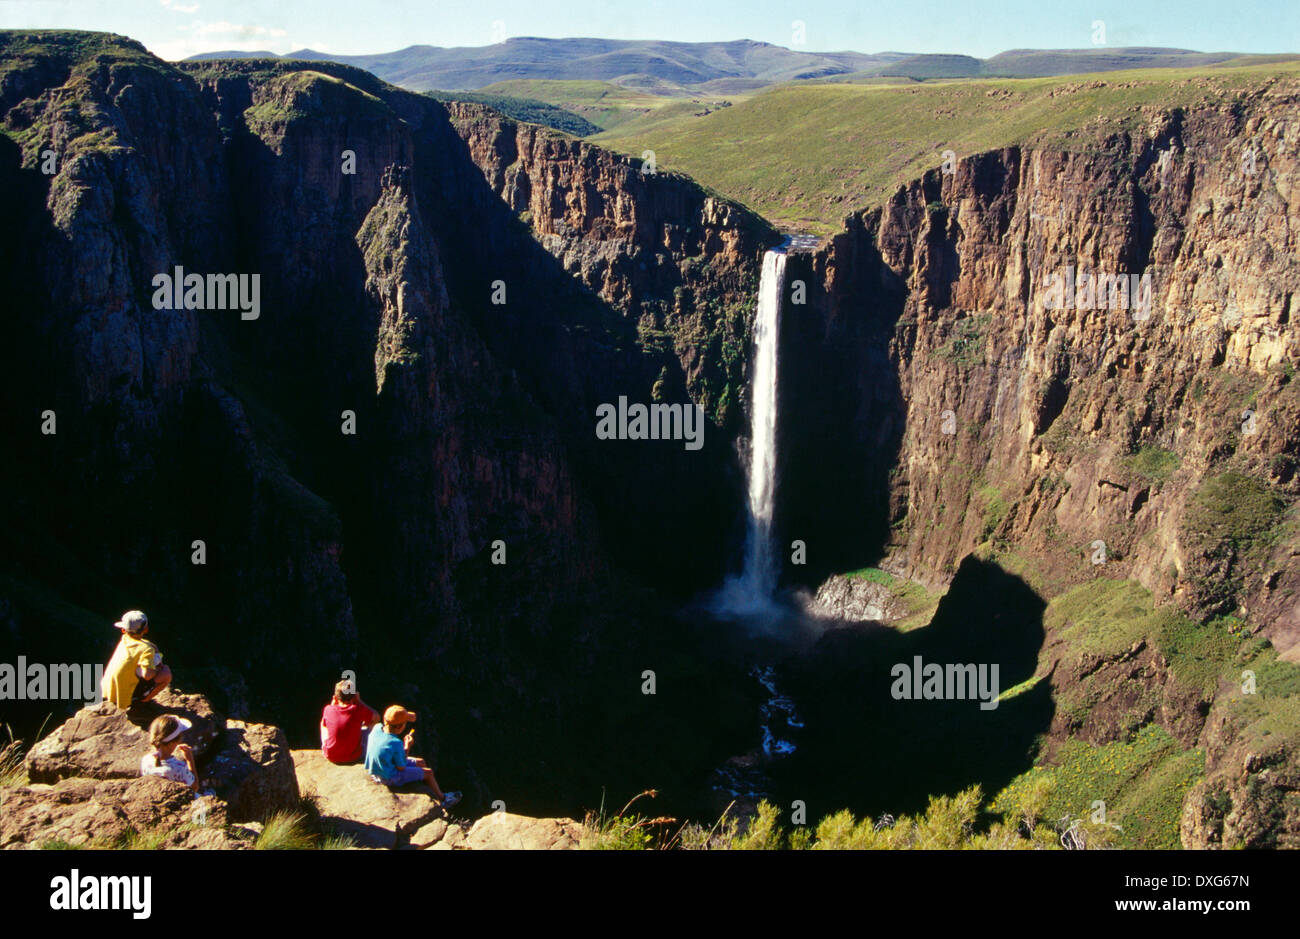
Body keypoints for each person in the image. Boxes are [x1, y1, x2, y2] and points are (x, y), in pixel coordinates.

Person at [364, 705, 460, 809]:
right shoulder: (395, 743)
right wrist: (407, 746)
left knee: (421, 762)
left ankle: (424, 783)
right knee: (429, 772)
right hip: (388, 777)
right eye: (405, 723)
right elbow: (401, 767)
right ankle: (443, 799)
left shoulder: (377, 728)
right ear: (399, 727)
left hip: (378, 767)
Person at [101, 610, 172, 710]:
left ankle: (136, 698)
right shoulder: (146, 649)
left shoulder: (124, 639)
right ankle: (140, 703)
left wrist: (153, 649)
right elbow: (147, 676)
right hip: (122, 697)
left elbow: (143, 644)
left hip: (109, 690)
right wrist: (158, 668)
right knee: (166, 673)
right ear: (146, 629)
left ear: (123, 630)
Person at [320, 679, 381, 764]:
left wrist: (332, 704)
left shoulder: (328, 709)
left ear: (336, 697)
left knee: (323, 723)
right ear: (354, 696)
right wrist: (359, 701)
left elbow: (326, 722)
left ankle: (325, 746)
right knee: (374, 724)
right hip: (354, 757)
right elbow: (377, 717)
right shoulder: (358, 709)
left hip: (330, 756)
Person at [140, 714, 200, 793]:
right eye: (180, 736)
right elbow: (195, 787)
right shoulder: (179, 767)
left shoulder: (146, 760)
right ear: (172, 743)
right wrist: (189, 760)